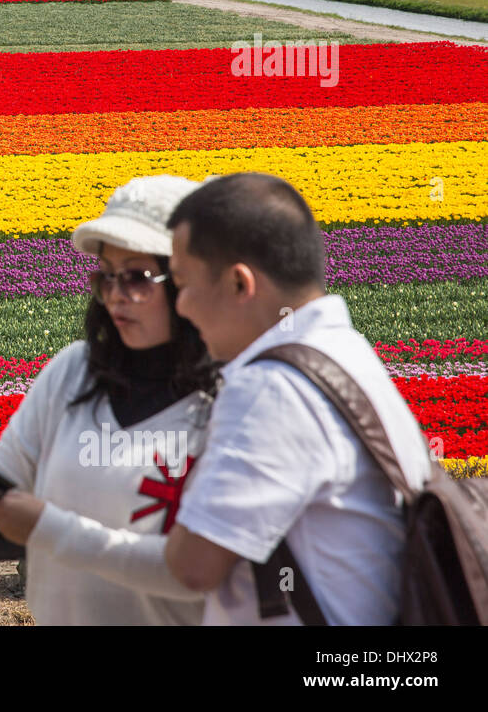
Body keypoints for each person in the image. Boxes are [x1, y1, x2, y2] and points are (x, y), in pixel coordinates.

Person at [0, 175, 223, 624]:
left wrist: (45, 527)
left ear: (188, 278)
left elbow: (201, 570)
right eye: (107, 276)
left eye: (138, 277)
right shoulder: (73, 371)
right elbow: (5, 484)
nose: (116, 297)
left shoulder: (227, 398)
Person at [162, 172, 431, 624]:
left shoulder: (272, 386)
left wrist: (60, 533)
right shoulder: (346, 353)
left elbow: (193, 566)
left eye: (183, 283)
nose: (181, 306)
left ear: (238, 284)